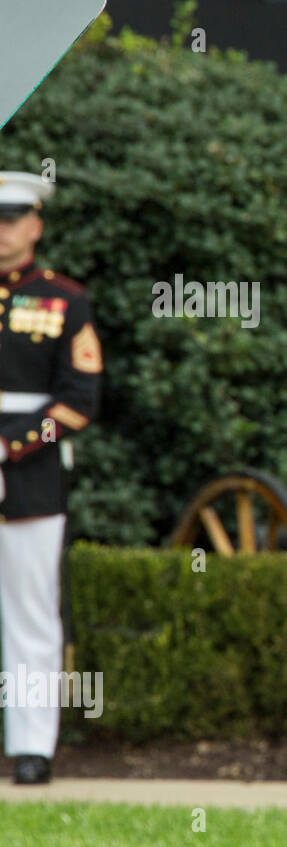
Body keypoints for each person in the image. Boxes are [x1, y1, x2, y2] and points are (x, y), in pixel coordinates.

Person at [0, 172, 102, 785]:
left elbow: (79, 398)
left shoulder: (65, 299)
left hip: (30, 476)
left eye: (12, 219)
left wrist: (10, 444)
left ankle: (33, 748)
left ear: (36, 225)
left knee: (31, 613)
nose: (1, 231)